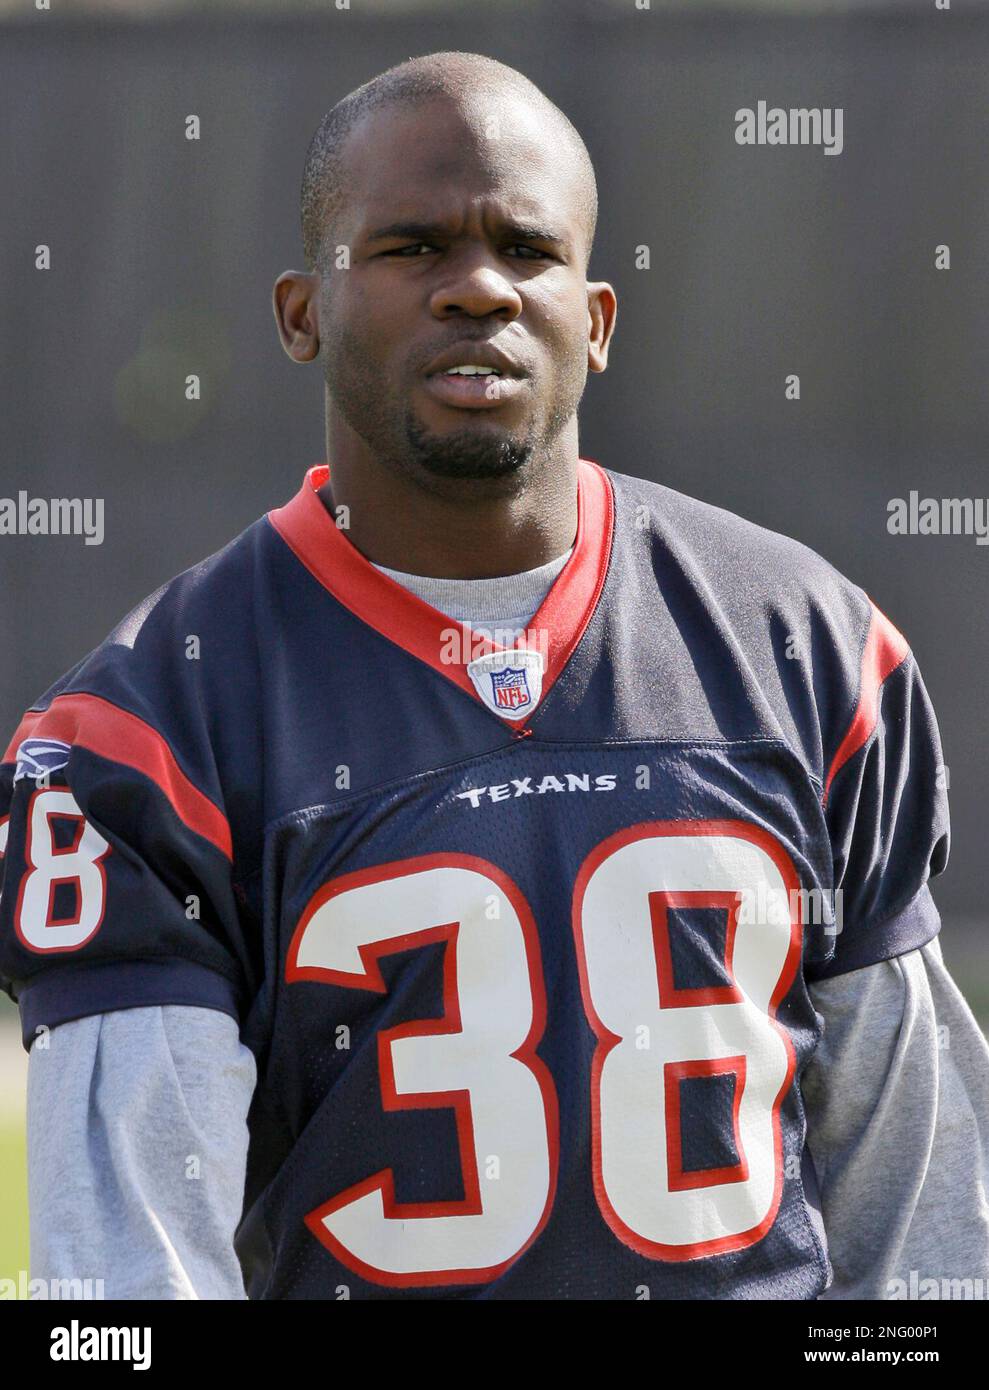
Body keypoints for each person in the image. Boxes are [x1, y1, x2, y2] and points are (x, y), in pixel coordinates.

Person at [3, 51, 988, 1301]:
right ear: (302, 312)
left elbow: (916, 1224)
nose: (477, 290)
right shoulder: (148, 728)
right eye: (409, 249)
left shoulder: (804, 645)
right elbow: (129, 1286)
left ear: (596, 317)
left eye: (526, 249)